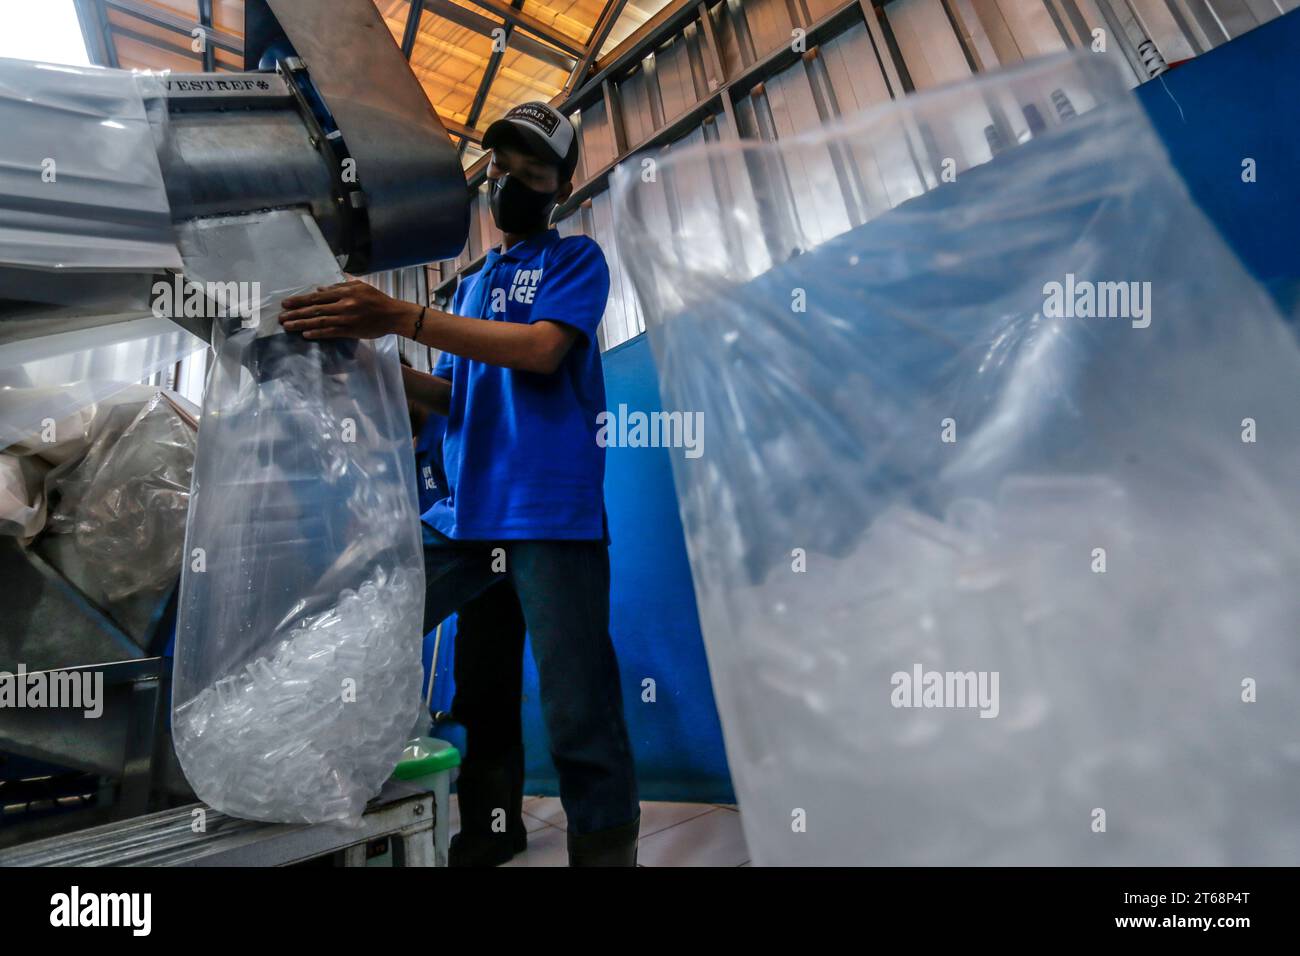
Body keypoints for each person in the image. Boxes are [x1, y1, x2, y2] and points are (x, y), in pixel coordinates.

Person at [280, 102, 640, 866]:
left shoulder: (576, 261)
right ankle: (489, 834)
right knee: (477, 690)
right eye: (502, 166)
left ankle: (605, 855)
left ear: (559, 187)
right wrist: (366, 357)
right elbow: (455, 395)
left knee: (581, 710)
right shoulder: (470, 289)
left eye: (531, 170)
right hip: (468, 516)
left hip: (549, 517)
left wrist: (400, 319)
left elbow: (542, 352)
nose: (512, 180)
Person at [403, 355, 530, 867]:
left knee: (489, 694)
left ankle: (494, 831)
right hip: (465, 574)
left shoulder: (451, 420)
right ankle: (492, 826)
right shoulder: (390, 447)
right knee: (477, 693)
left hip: (500, 562)